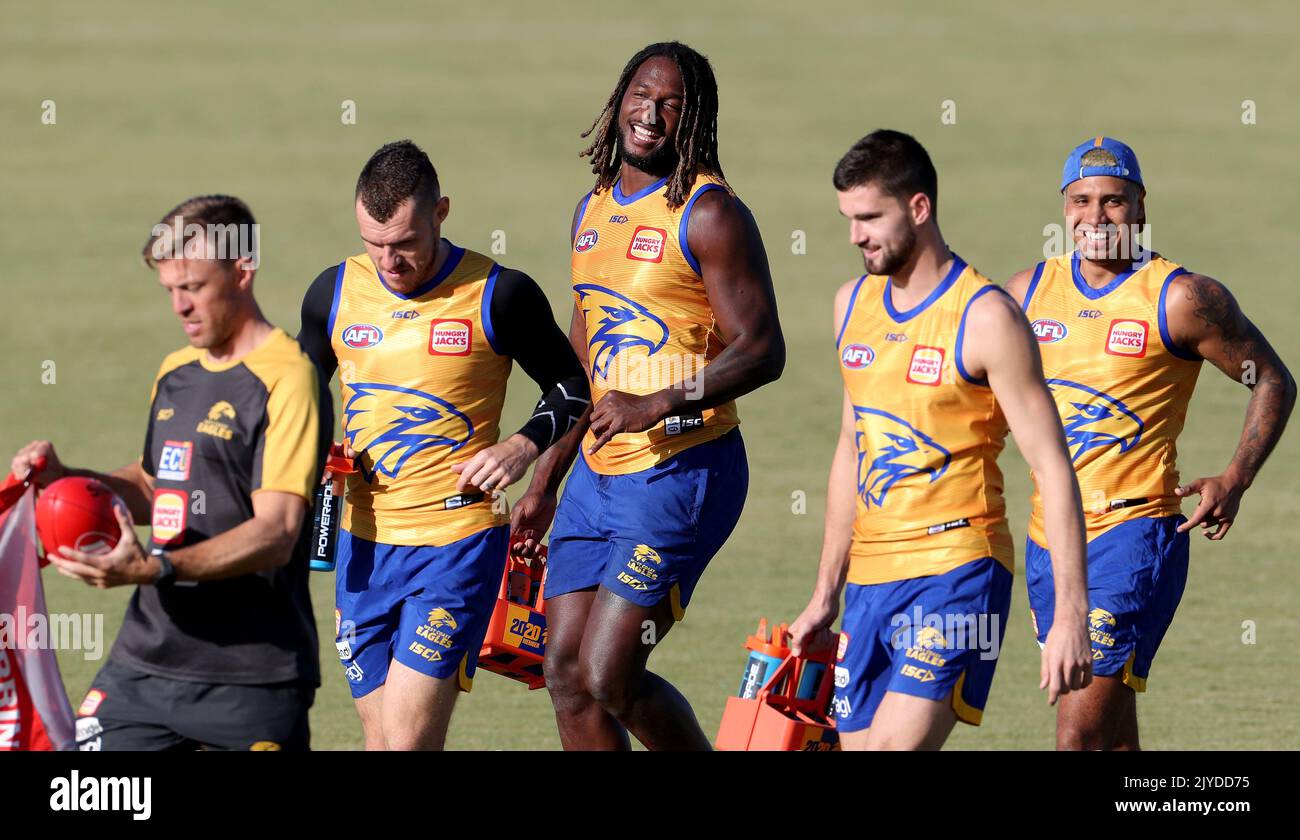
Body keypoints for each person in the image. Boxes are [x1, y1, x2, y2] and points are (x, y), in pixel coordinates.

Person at [511, 41, 785, 750]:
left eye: (672, 103)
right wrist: (546, 482)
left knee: (610, 673)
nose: (651, 114)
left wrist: (657, 402)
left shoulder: (710, 214)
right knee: (565, 675)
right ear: (617, 99)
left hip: (683, 472)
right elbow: (582, 364)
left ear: (694, 119)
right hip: (597, 481)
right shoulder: (592, 209)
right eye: (640, 94)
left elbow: (763, 349)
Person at [789, 130, 1093, 750]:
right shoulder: (851, 306)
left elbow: (1053, 467)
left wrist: (1071, 615)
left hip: (958, 569)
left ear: (919, 208)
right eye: (848, 219)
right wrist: (826, 593)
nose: (856, 235)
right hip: (871, 582)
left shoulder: (987, 318)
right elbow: (853, 449)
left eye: (870, 217)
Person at [296, 140, 589, 750]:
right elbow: (296, 392)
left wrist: (520, 447)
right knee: (383, 745)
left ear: (441, 212)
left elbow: (573, 388)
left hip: (455, 547)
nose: (388, 261)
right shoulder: (333, 292)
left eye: (403, 243)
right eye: (375, 243)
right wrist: (315, 447)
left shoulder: (499, 293)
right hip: (361, 551)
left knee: (404, 745)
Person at [1005, 137, 1296, 750]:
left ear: (1141, 206)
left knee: (1076, 738)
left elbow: (1271, 378)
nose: (1096, 217)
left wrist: (1235, 479)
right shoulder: (1028, 292)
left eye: (1114, 201)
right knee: (1112, 741)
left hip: (1132, 537)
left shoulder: (1183, 299)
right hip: (1047, 540)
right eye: (1081, 201)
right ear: (1063, 208)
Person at [11, 194, 326, 750]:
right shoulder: (177, 371)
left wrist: (156, 567)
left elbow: (276, 532)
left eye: (194, 287)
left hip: (251, 680)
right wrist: (64, 478)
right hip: (145, 667)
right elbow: (158, 484)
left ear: (242, 270)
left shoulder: (288, 378)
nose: (179, 306)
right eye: (170, 291)